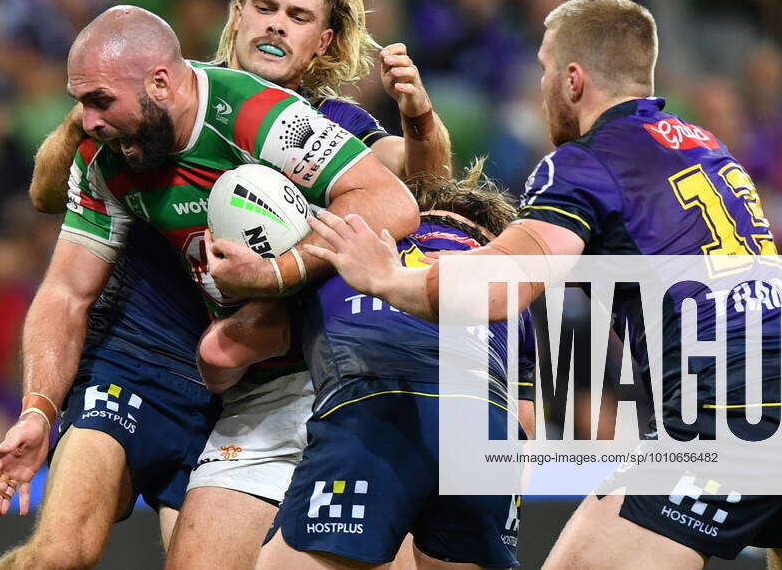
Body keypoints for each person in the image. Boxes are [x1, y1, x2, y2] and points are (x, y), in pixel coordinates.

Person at [304, 0, 782, 569]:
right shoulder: (707, 148)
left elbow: (499, 285)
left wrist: (387, 276)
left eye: (544, 69)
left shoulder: (586, 162)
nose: (541, 89)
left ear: (573, 79)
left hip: (729, 410)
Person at [23, 0, 452, 569]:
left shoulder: (325, 127)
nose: (276, 25)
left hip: (255, 382)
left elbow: (415, 185)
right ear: (236, 15)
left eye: (298, 16)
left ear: (322, 42)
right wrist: (100, 112)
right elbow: (44, 193)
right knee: (59, 552)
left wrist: (418, 118)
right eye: (265, 7)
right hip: (145, 358)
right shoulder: (156, 94)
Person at [199, 162, 536, 568]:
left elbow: (219, 355)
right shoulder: (512, 298)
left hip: (371, 411)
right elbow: (525, 425)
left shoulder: (343, 255)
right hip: (486, 428)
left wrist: (241, 288)